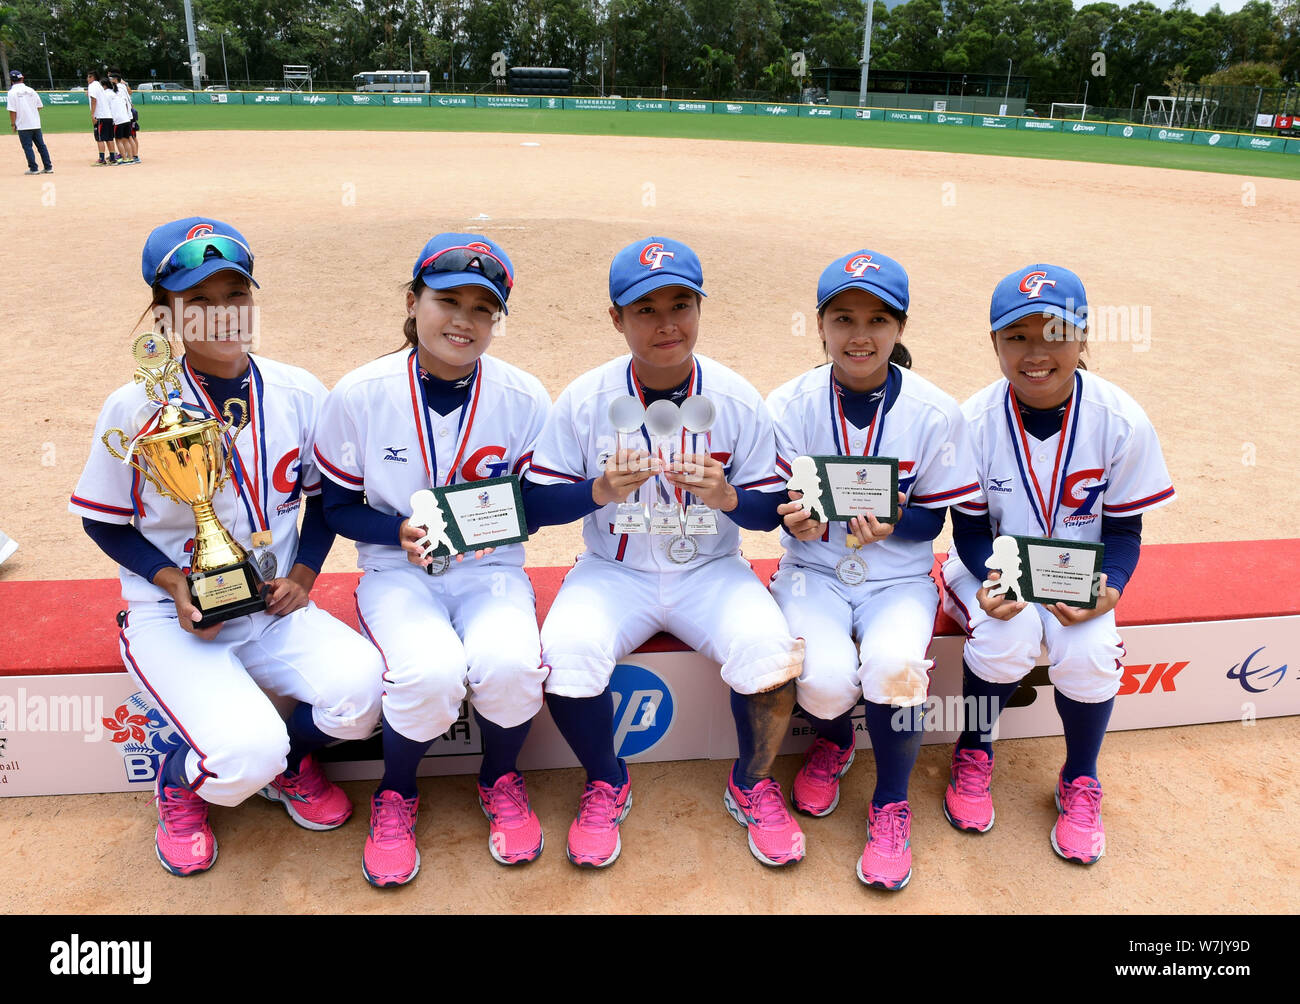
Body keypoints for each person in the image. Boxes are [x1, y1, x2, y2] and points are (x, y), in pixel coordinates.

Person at [70, 217, 385, 876]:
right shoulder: (135, 406)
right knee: (243, 751)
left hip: (271, 600)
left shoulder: (299, 390)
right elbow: (102, 521)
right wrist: (171, 584)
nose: (223, 315)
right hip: (176, 615)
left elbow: (325, 499)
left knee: (365, 692)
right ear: (165, 314)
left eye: (235, 296)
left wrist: (303, 572)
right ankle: (180, 786)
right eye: (199, 302)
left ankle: (291, 764)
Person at [525, 237, 806, 870]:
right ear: (616, 318)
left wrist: (729, 494)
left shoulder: (734, 398)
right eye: (645, 309)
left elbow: (776, 511)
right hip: (612, 570)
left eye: (681, 304)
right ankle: (606, 780)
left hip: (711, 569)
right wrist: (596, 490)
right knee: (565, 656)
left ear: (700, 310)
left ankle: (751, 783)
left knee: (769, 655)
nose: (666, 323)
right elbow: (537, 506)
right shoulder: (585, 398)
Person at [314, 234, 552, 887]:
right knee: (429, 674)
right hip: (397, 570)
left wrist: (598, 490)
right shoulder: (360, 393)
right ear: (414, 301)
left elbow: (537, 503)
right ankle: (396, 794)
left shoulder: (525, 395)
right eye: (447, 300)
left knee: (510, 666)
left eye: (483, 309)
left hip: (492, 571)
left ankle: (501, 778)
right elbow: (336, 508)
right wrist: (399, 530)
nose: (464, 320)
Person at [939, 264, 1175, 864]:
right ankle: (973, 750)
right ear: (995, 343)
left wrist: (1112, 589)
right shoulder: (972, 419)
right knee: (1004, 637)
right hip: (989, 566)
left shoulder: (1120, 419)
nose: (1036, 351)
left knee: (1093, 653)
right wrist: (992, 581)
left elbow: (1124, 528)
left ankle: (1080, 777)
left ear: (1084, 336)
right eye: (1017, 336)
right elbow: (966, 525)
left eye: (1055, 332)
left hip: (1081, 573)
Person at [766, 250, 983, 890]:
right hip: (815, 570)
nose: (860, 334)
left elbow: (935, 522)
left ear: (900, 327)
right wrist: (794, 520)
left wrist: (897, 521)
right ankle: (834, 741)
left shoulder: (936, 410)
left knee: (895, 669)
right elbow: (777, 508)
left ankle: (891, 802)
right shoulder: (788, 403)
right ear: (821, 325)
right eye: (844, 318)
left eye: (878, 319)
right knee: (826, 684)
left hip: (897, 578)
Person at [8, 71, 53, 175]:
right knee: (41, 146)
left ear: (11, 80)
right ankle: (48, 167)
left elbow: (12, 110)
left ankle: (33, 168)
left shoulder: (11, 92)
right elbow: (40, 106)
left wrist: (13, 124)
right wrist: (31, 112)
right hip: (35, 123)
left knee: (28, 147)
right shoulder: (31, 90)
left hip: (23, 125)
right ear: (22, 78)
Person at [87, 70, 118, 165]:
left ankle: (101, 159)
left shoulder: (92, 85)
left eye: (88, 77)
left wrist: (92, 114)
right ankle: (113, 158)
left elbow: (94, 99)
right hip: (108, 116)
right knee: (109, 138)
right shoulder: (99, 86)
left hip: (100, 116)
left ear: (92, 77)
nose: (87, 79)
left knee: (99, 138)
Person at [106, 71, 138, 164]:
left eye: (110, 78)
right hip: (127, 116)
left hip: (123, 116)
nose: (110, 80)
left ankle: (127, 156)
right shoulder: (122, 86)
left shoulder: (116, 89)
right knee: (128, 137)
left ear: (115, 79)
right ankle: (132, 156)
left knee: (123, 138)